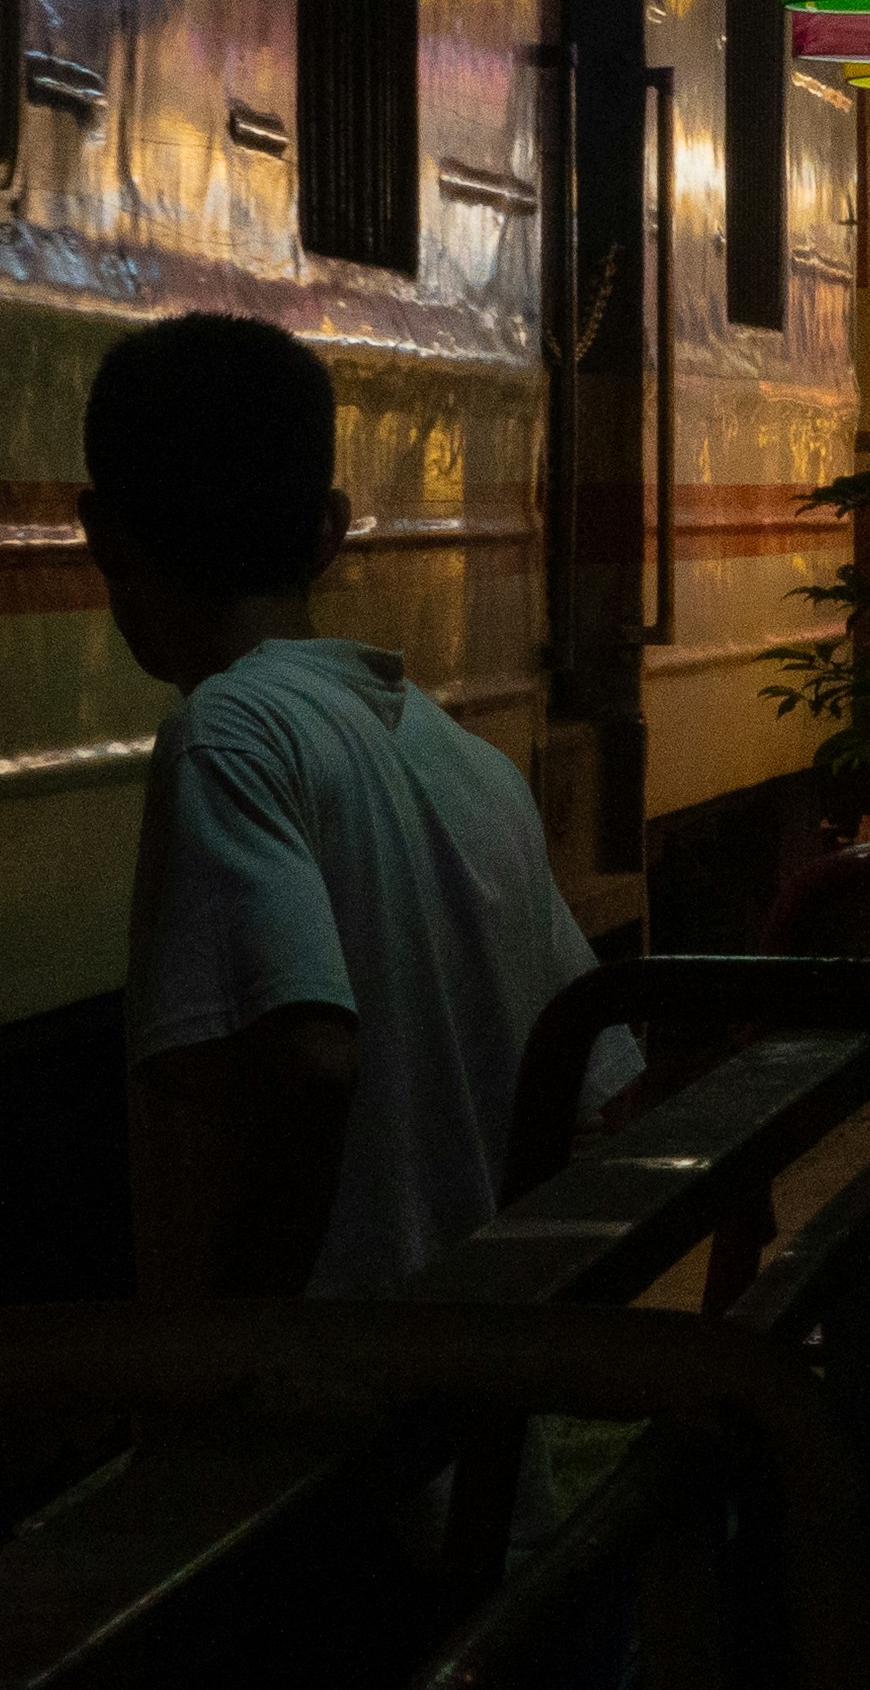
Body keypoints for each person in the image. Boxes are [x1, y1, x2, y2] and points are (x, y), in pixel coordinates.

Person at [81, 312, 638, 1303]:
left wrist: (235, 1362)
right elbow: (597, 1088)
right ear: (330, 531)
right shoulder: (471, 767)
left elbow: (308, 1066)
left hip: (336, 1424)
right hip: (472, 1417)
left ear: (104, 537)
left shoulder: (231, 734)